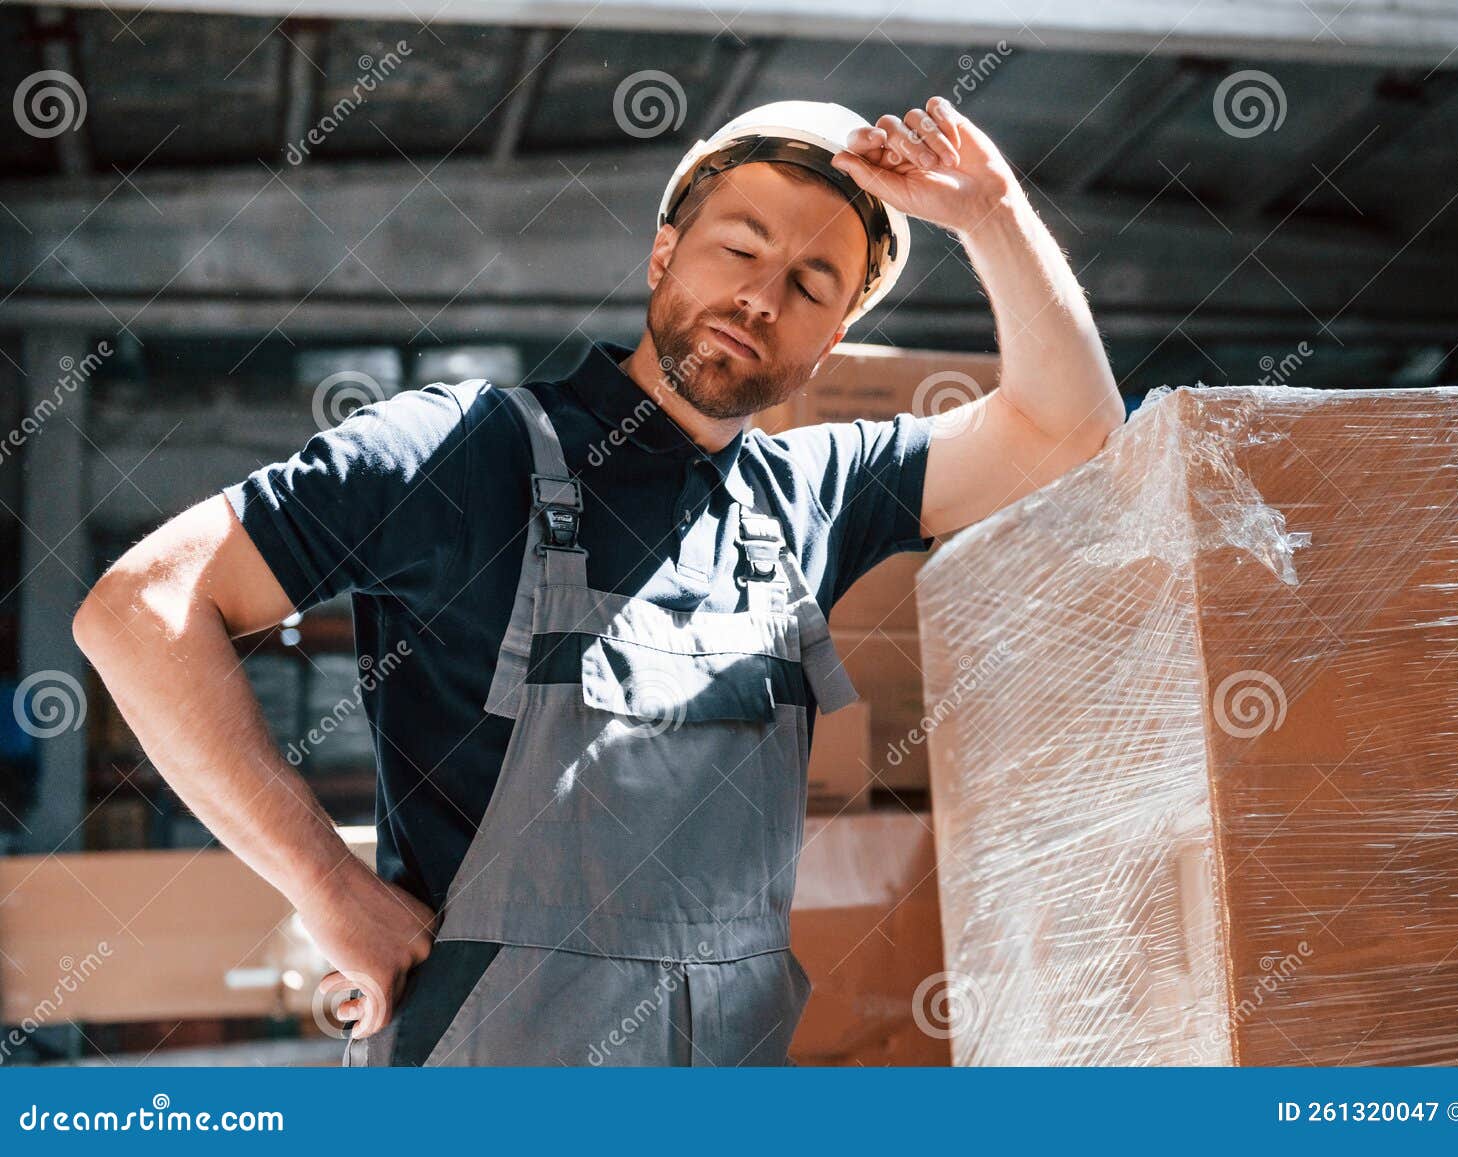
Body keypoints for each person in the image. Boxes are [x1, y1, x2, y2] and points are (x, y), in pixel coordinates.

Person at [72, 97, 1123, 1065]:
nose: (760, 296)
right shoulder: (462, 448)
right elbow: (140, 609)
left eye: (810, 284)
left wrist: (988, 214)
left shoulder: (814, 495)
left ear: (835, 333)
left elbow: (1070, 432)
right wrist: (326, 884)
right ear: (665, 249)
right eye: (738, 247)